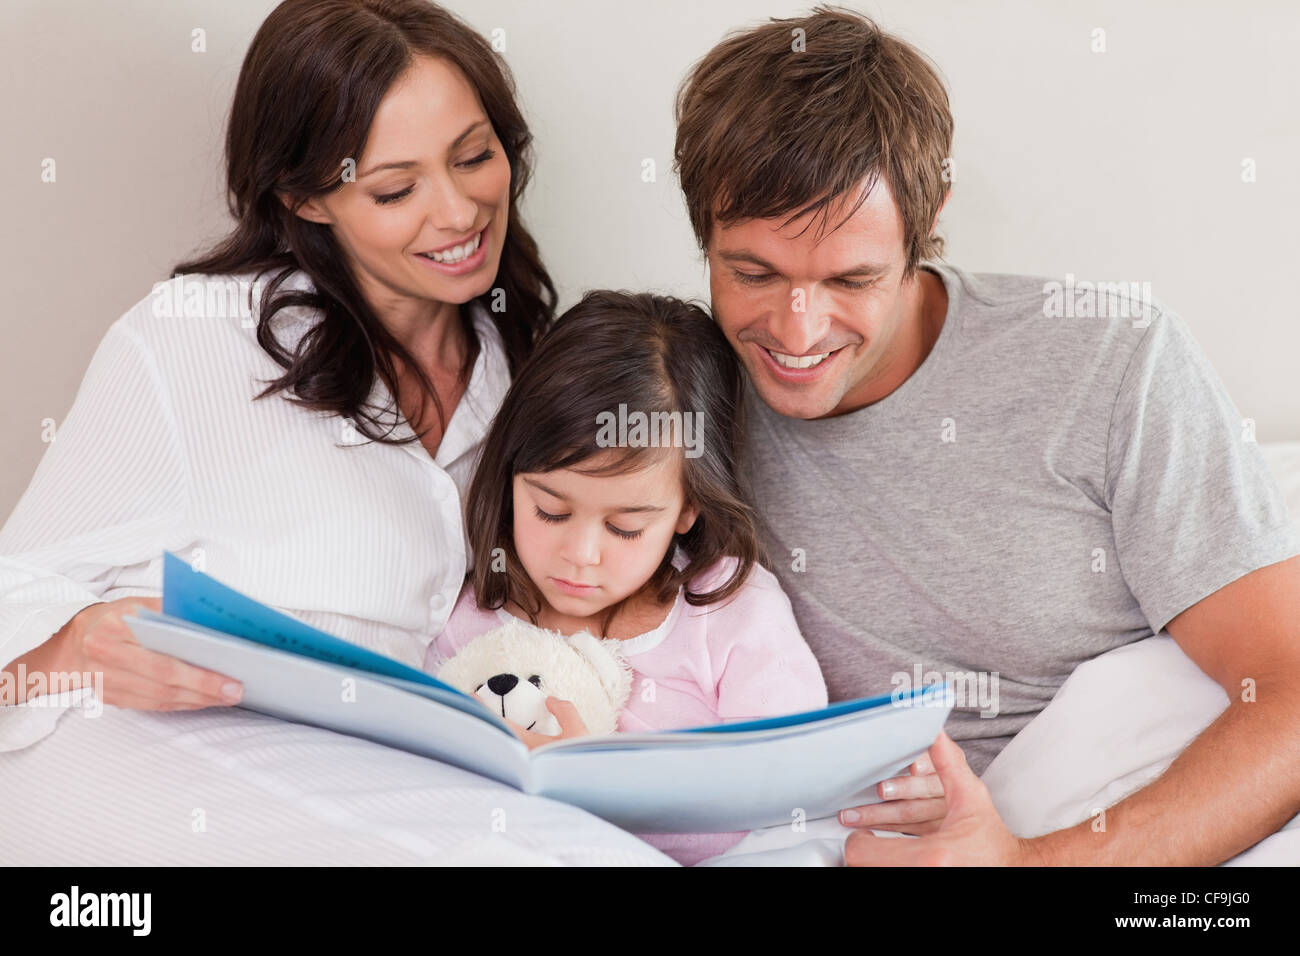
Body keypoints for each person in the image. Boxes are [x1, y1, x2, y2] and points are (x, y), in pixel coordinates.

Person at [672, 6, 1300, 864]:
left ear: (928, 221)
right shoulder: (685, 401)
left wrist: (1027, 866)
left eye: (852, 278)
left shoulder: (1111, 361)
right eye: (751, 273)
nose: (796, 328)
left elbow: (1291, 696)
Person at [0, 0, 555, 743]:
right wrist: (71, 647)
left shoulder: (530, 368)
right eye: (395, 189)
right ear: (302, 197)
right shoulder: (193, 339)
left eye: (474, 157)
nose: (459, 213)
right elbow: (17, 595)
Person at [425, 290, 829, 866]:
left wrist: (600, 783)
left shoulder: (728, 610)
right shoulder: (473, 612)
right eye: (551, 512)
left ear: (688, 507)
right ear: (511, 474)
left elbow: (792, 787)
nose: (581, 555)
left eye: (625, 527)